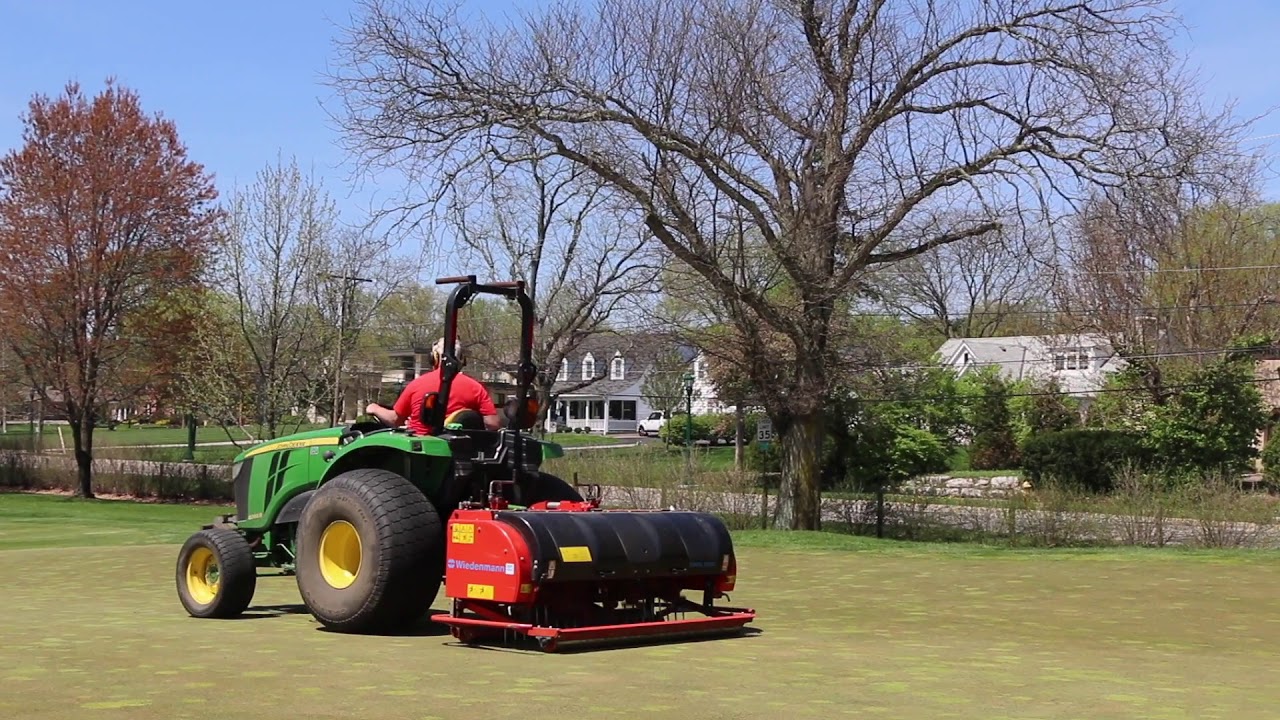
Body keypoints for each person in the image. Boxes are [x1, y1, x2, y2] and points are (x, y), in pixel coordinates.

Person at [365, 337, 502, 433]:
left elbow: (395, 420)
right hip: (460, 452)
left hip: (421, 450)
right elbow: (493, 424)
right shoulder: (476, 387)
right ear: (461, 360)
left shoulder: (417, 384)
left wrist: (374, 408)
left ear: (434, 358)